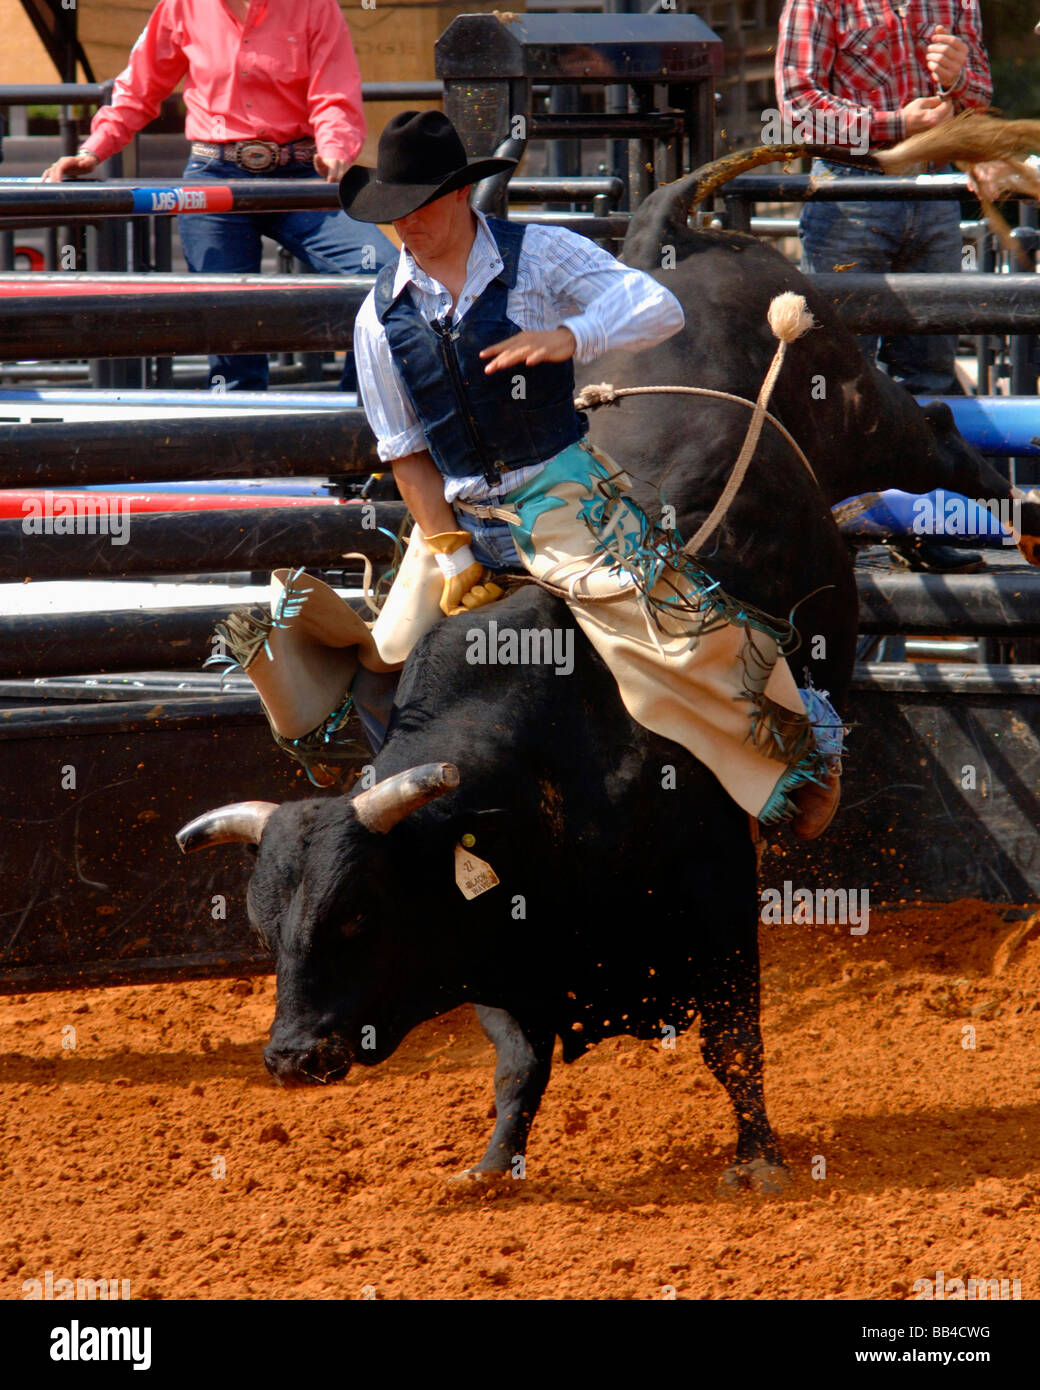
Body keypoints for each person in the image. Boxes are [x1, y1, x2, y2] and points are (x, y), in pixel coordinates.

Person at [219, 112, 844, 840]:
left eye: (416, 210)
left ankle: (804, 740)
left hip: (563, 498)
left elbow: (657, 306)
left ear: (458, 197)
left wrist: (570, 335)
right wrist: (450, 551)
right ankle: (372, 801)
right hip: (457, 523)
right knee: (376, 662)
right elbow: (407, 451)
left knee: (673, 637)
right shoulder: (377, 317)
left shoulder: (539, 255)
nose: (405, 230)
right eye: (392, 217)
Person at [41, 0, 394, 392]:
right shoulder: (182, 7)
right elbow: (139, 87)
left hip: (302, 173)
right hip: (215, 173)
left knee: (381, 271)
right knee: (228, 316)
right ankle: (240, 439)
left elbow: (334, 93)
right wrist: (94, 150)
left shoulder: (314, 6)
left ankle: (360, 422)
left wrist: (335, 149)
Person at [777, 1, 993, 571]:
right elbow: (798, 108)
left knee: (927, 365)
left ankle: (918, 526)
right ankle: (839, 530)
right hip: (853, 187)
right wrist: (901, 124)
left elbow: (978, 102)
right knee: (842, 374)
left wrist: (959, 79)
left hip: (931, 184)